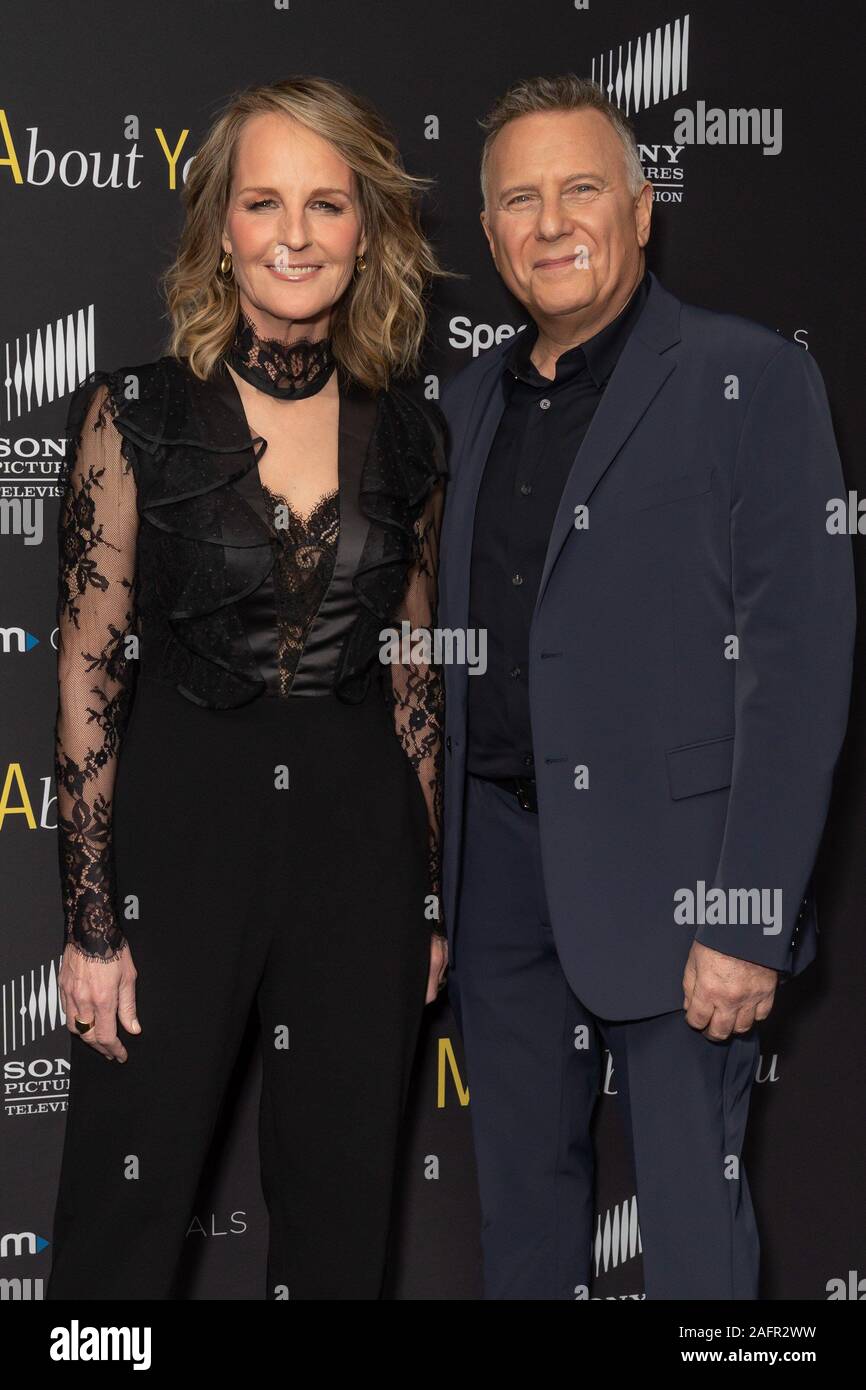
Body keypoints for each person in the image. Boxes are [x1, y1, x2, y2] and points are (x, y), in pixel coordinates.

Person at [437, 74, 855, 1299]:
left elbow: (794, 664)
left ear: (638, 208)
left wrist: (744, 913)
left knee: (690, 1247)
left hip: (683, 886)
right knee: (519, 1231)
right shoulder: (459, 410)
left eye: (579, 188)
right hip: (494, 883)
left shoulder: (747, 377)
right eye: (519, 197)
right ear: (491, 233)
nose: (550, 220)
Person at [47, 75, 450, 1301]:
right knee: (123, 1205)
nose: (293, 232)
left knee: (338, 1215)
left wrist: (426, 897)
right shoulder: (141, 413)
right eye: (262, 200)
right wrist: (91, 919)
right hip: (181, 830)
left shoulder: (413, 430)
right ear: (218, 225)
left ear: (364, 229)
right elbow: (88, 664)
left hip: (359, 848)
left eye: (325, 204)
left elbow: (413, 673)